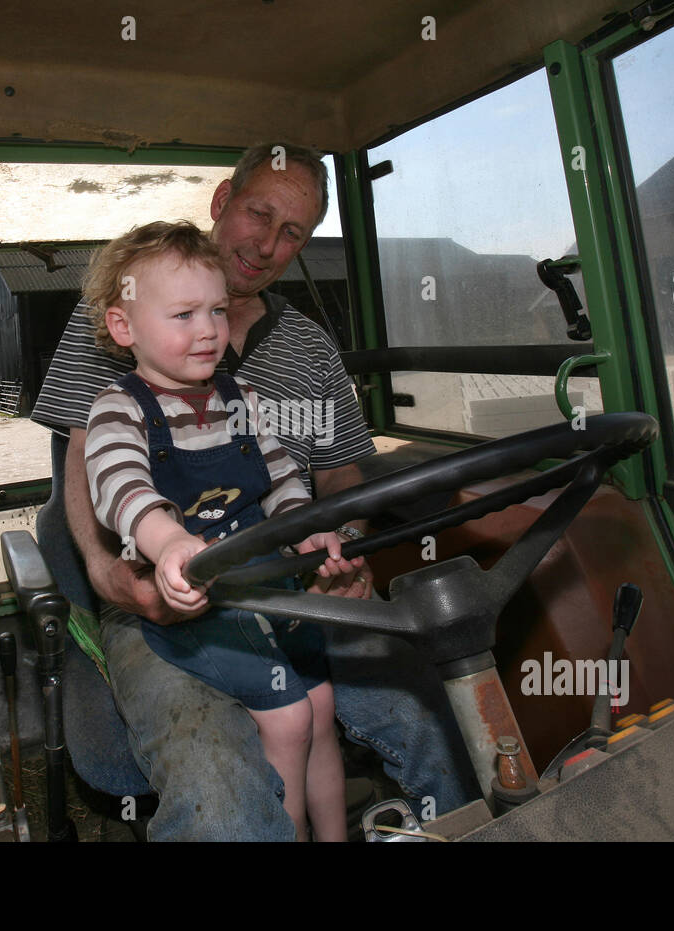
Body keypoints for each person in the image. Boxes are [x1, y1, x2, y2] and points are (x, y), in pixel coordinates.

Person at [32, 142, 480, 840]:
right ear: (222, 203)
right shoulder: (123, 319)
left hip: (291, 577)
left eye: (292, 232)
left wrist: (343, 549)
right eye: (258, 213)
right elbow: (92, 473)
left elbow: (333, 479)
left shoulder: (308, 351)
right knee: (218, 788)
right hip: (160, 593)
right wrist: (109, 573)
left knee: (437, 715)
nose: (268, 243)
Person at [82, 220, 358, 840]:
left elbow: (284, 479)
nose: (207, 329)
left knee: (321, 705)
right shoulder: (119, 410)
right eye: (183, 314)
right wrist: (168, 543)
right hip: (198, 608)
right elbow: (120, 492)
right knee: (289, 720)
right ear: (124, 328)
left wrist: (307, 531)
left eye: (215, 309)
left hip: (265, 585)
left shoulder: (245, 398)